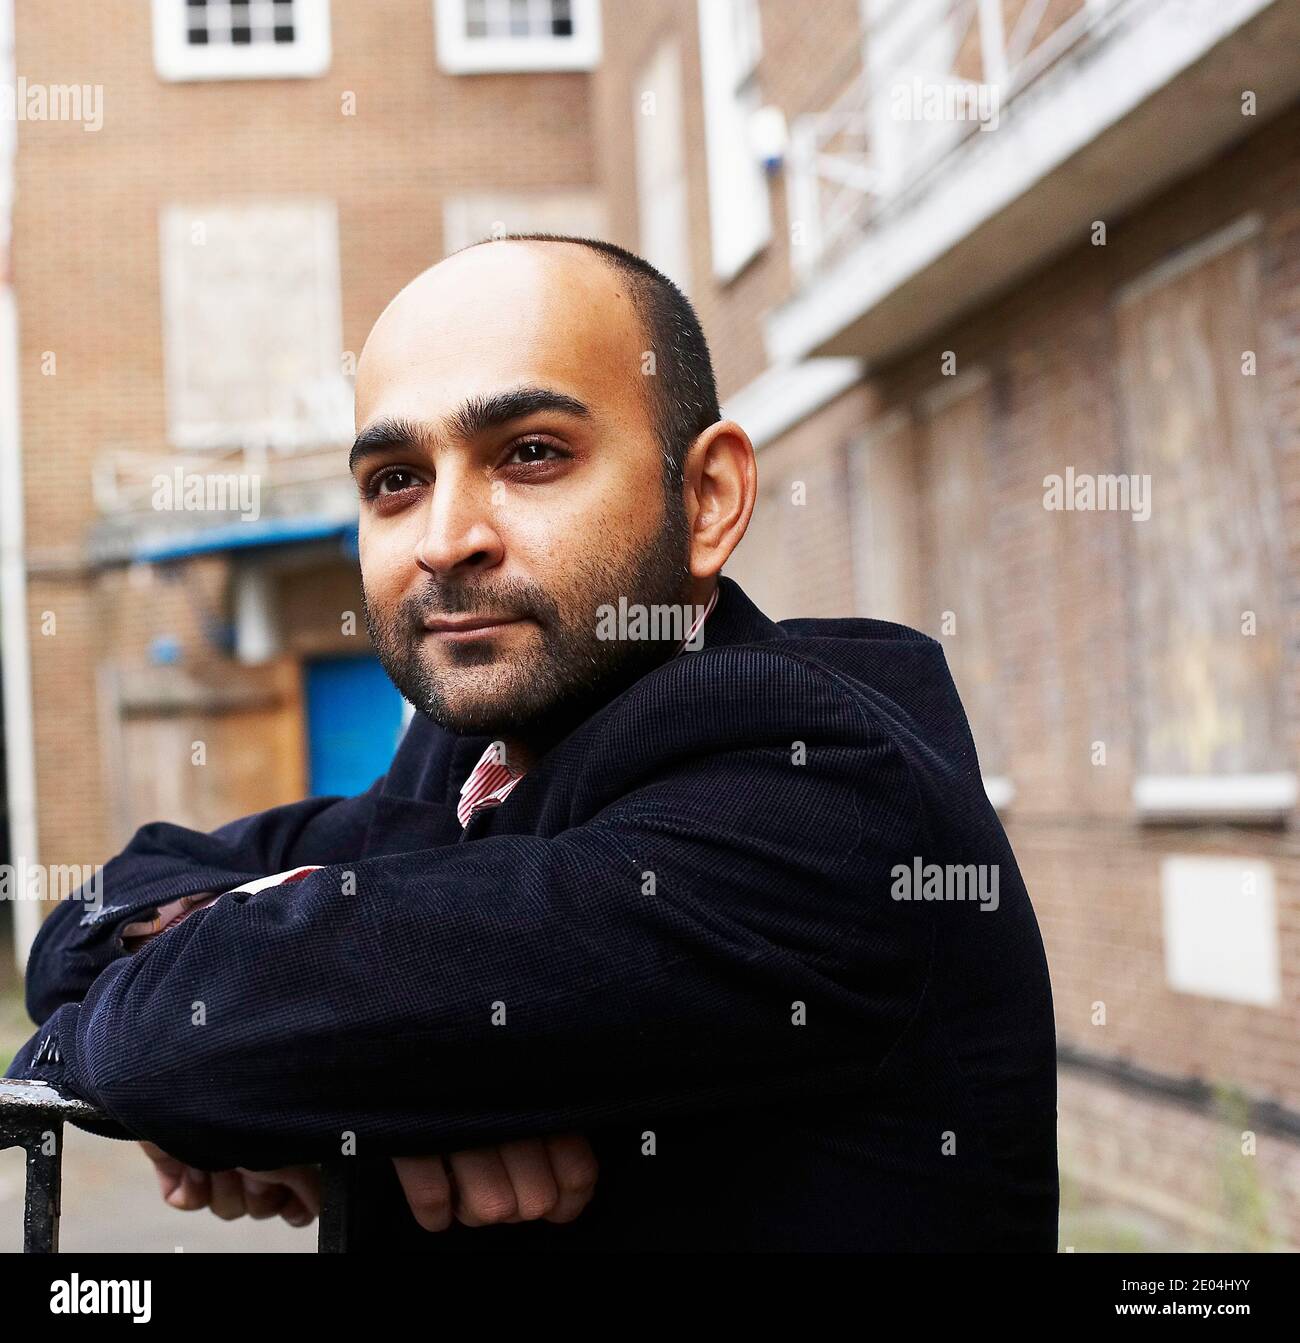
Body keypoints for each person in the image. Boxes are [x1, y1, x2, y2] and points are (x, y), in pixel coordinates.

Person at [7, 235, 1058, 1251]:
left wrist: (282, 1048)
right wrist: (358, 1053)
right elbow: (94, 913)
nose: (443, 537)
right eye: (394, 479)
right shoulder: (461, 760)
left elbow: (171, 1045)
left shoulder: (820, 788)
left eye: (532, 453)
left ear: (707, 497)